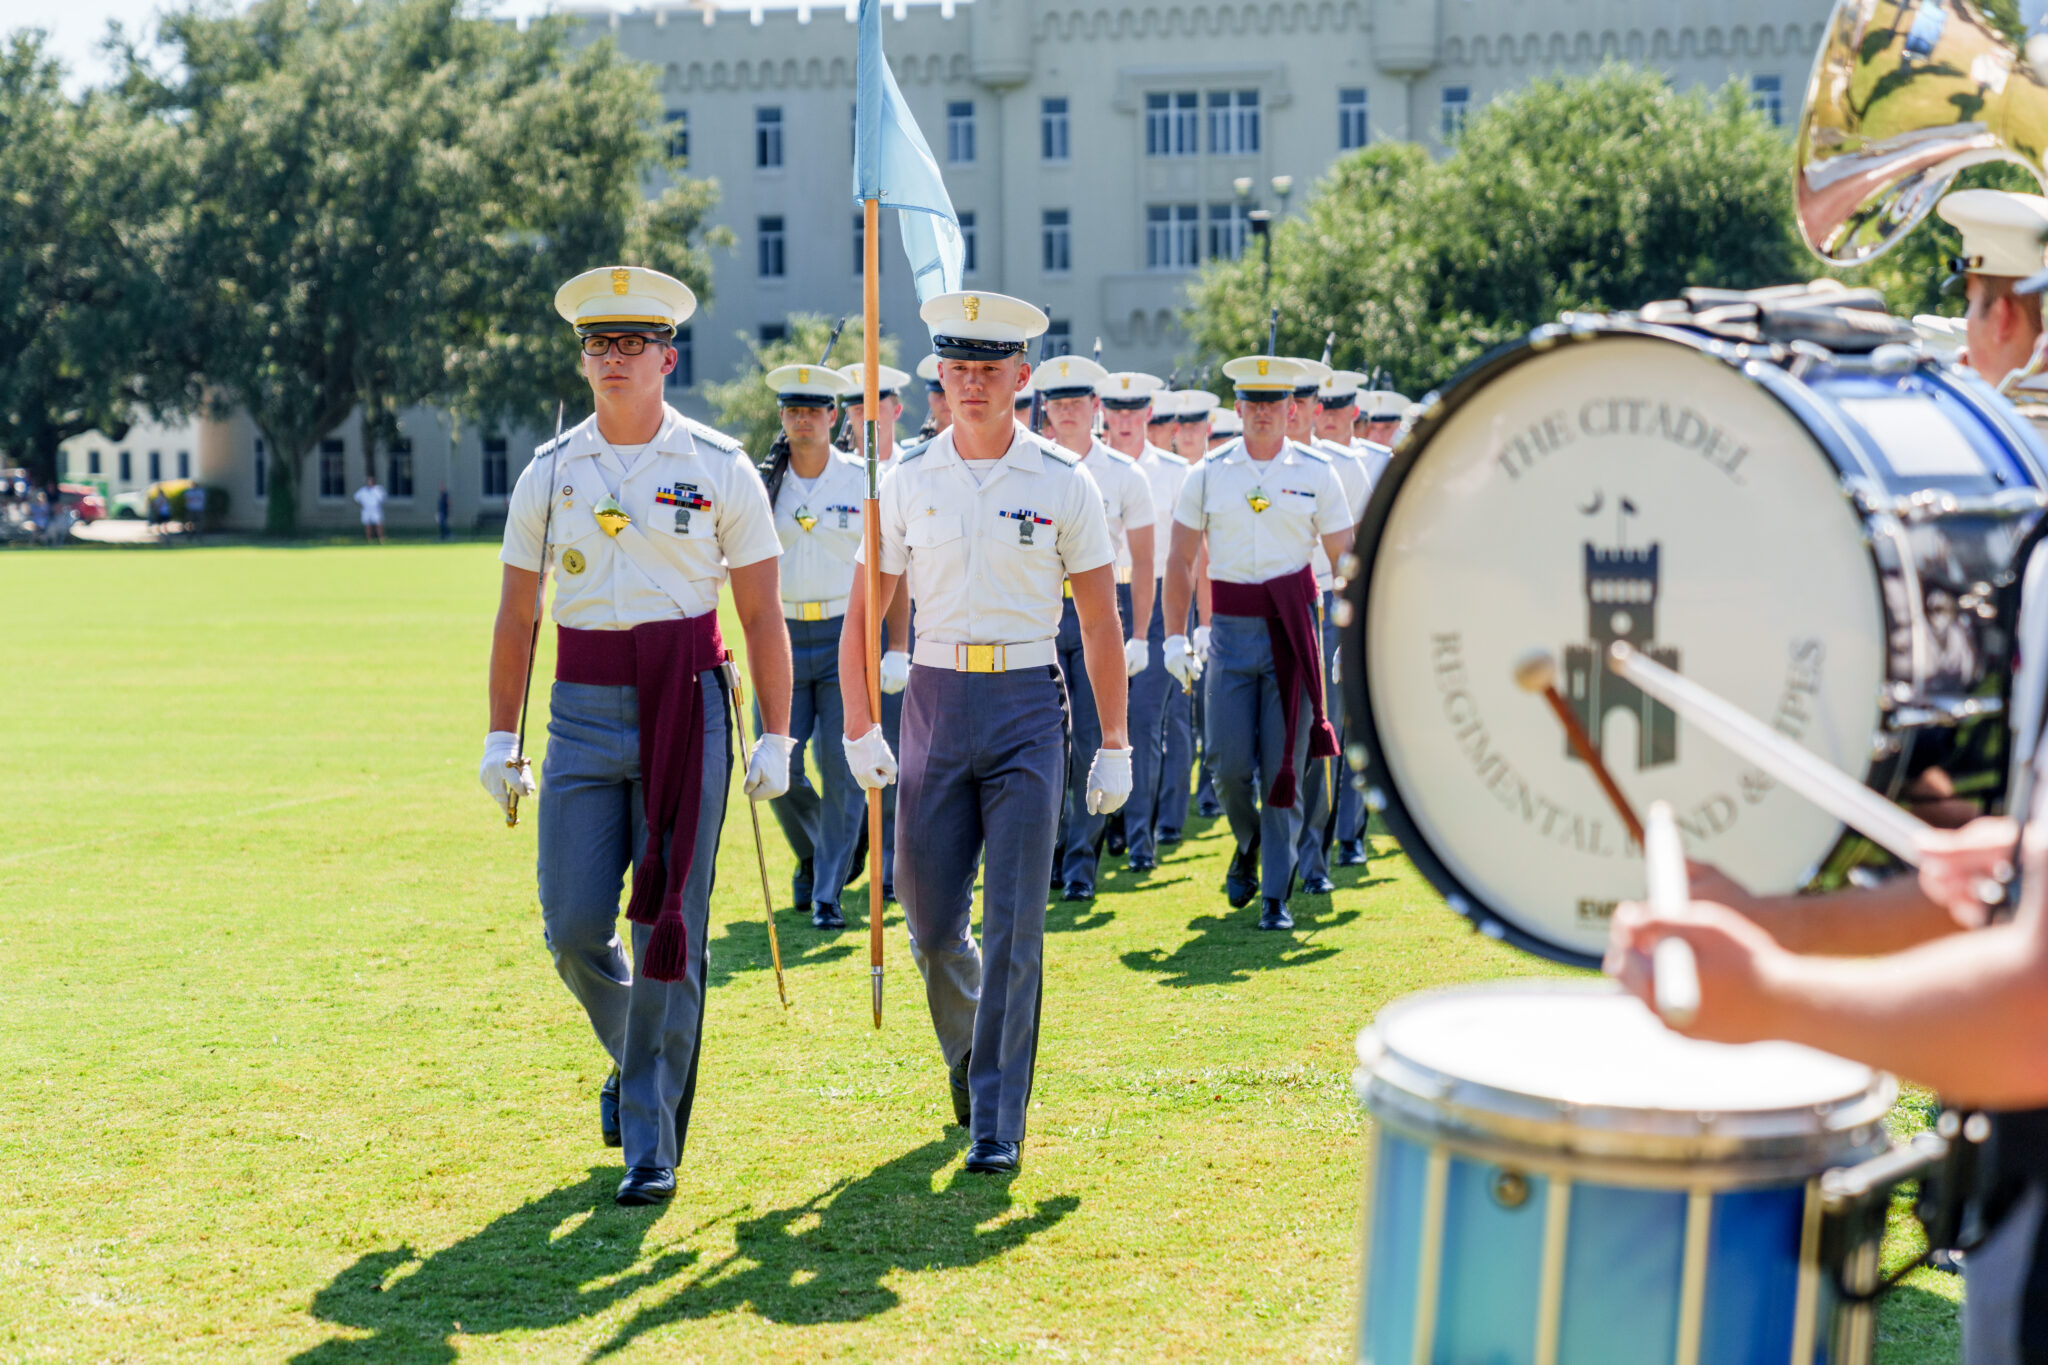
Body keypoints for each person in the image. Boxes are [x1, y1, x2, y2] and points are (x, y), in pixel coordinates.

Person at [478, 265, 795, 1207]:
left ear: (667, 356)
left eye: (631, 344)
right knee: (574, 925)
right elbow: (516, 614)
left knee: (668, 924)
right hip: (580, 706)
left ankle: (651, 1141)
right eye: (596, 344)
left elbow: (763, 609)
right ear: (582, 358)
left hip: (686, 705)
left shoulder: (719, 464)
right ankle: (638, 1053)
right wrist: (502, 738)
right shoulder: (551, 470)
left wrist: (776, 735)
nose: (612, 359)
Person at [837, 290, 1129, 1175]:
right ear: (940, 378)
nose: (970, 384)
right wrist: (859, 721)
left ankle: (998, 1115)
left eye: (988, 370)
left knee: (1015, 921)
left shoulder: (1061, 480)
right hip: (931, 696)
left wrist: (1113, 738)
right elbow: (864, 611)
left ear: (1021, 379)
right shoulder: (907, 478)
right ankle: (972, 1051)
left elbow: (1102, 620)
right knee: (928, 919)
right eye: (957, 369)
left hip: (1027, 708)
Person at [1162, 356, 1352, 930]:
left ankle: (1276, 895)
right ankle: (1248, 846)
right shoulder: (1209, 472)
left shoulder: (1317, 472)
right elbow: (1181, 558)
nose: (1265, 414)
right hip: (1231, 630)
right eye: (1254, 404)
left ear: (1292, 410)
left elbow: (1347, 559)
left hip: (1293, 632)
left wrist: (1349, 632)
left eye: (1275, 405)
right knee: (1225, 761)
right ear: (1239, 408)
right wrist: (1175, 636)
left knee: (1283, 765)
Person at [757, 361, 871, 930]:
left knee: (842, 769)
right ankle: (819, 850)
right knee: (779, 767)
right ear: (783, 418)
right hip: (780, 635)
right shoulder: (764, 482)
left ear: (832, 416)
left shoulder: (859, 478)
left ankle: (827, 891)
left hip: (843, 632)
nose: (803, 420)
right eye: (793, 411)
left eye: (813, 410)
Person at [1037, 355, 1155, 899]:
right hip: (1041, 610)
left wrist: (1139, 635)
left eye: (1075, 404)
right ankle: (1054, 848)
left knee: (1090, 739)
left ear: (1095, 409)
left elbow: (1146, 562)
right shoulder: (1029, 467)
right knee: (1045, 742)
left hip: (1101, 610)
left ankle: (1082, 863)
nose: (1065, 414)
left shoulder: (1124, 476)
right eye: (1056, 405)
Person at [1294, 368, 1379, 884]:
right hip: (1274, 603)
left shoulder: (1344, 467)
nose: (1302, 411)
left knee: (1334, 729)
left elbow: (1362, 551)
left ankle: (1330, 842)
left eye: (1307, 401)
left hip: (1327, 602)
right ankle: (1285, 843)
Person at [1100, 371, 1186, 869]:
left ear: (1149, 415)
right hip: (1099, 599)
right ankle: (1104, 823)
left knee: (1146, 725)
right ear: (1104, 414)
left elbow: (1188, 556)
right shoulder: (1086, 467)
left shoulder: (1173, 472)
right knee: (1099, 724)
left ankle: (1139, 838)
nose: (1126, 421)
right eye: (1118, 412)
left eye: (1136, 412)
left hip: (1150, 604)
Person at [839, 357, 916, 906]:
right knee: (856, 746)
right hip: (847, 627)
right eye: (855, 405)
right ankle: (857, 846)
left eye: (875, 403)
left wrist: (898, 645)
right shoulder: (841, 474)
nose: (865, 414)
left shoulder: (916, 468)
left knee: (904, 755)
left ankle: (890, 866)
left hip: (902, 637)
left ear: (896, 408)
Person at [1170, 390, 1224, 820]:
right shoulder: (1169, 474)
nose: (1187, 434)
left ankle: (1210, 786)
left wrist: (1205, 623)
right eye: (1181, 426)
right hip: (1170, 599)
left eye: (1195, 426)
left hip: (1208, 600)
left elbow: (1206, 556)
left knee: (1208, 701)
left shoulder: (1213, 475)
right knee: (1176, 701)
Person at [916, 354, 951, 438]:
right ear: (929, 399)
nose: (945, 401)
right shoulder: (918, 448)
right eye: (939, 394)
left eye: (949, 393)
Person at [354, 472, 387, 544]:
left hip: (376, 510)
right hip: (366, 510)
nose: (370, 482)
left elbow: (383, 499)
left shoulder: (378, 489)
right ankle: (369, 539)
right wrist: (361, 506)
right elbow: (356, 498)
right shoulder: (363, 490)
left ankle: (381, 539)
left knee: (379, 524)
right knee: (368, 525)